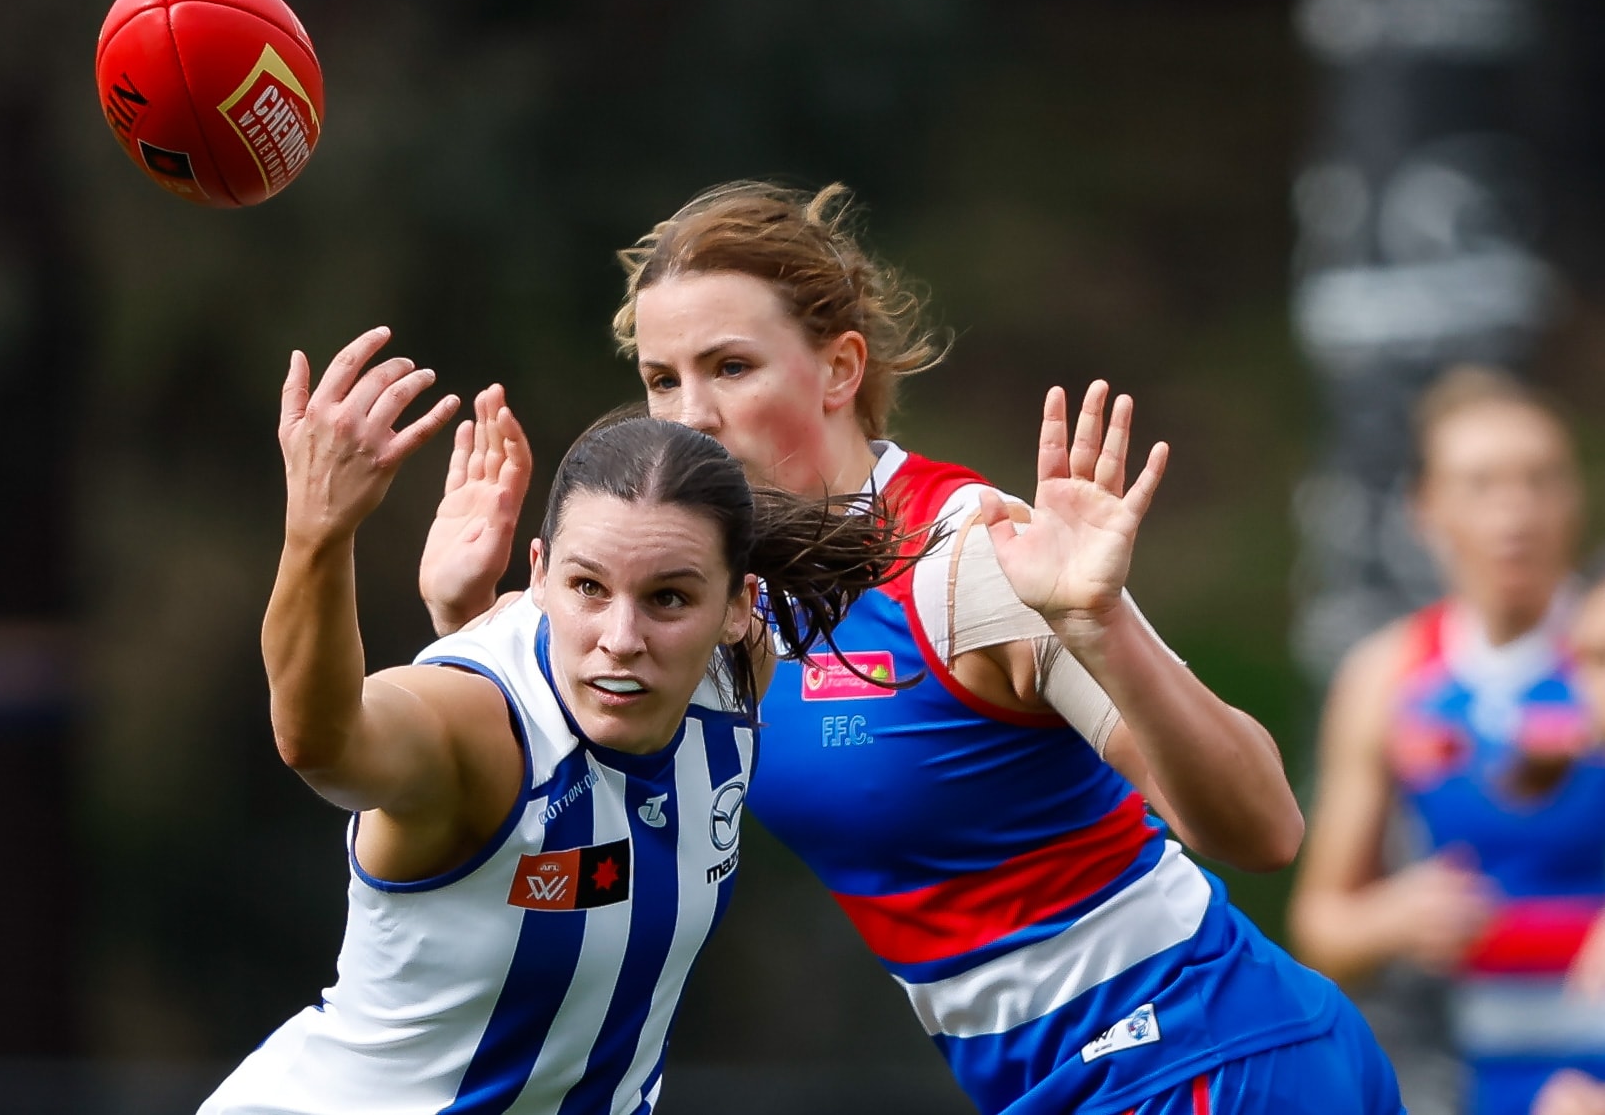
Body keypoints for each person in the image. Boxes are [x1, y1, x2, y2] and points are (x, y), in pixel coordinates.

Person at [421, 182, 1403, 1113]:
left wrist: (1097, 622)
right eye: (660, 380)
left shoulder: (964, 554)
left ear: (840, 370)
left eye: (730, 367)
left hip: (1206, 1056)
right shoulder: (705, 603)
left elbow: (1264, 827)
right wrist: (463, 613)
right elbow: (561, 792)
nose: (691, 417)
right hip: (1066, 1082)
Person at [200, 327, 914, 1115]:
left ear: (738, 607)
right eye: (587, 587)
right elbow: (322, 742)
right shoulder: (481, 723)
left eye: (668, 597)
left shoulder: (733, 676)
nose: (621, 637)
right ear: (539, 576)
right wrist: (318, 531)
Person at [1289, 367, 1605, 1115]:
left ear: (1576, 498)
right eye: (1481, 484)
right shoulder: (1387, 676)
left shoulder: (1597, 647)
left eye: (1539, 480)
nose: (1515, 511)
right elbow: (1319, 927)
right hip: (1496, 1073)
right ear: (1424, 510)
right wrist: (1392, 917)